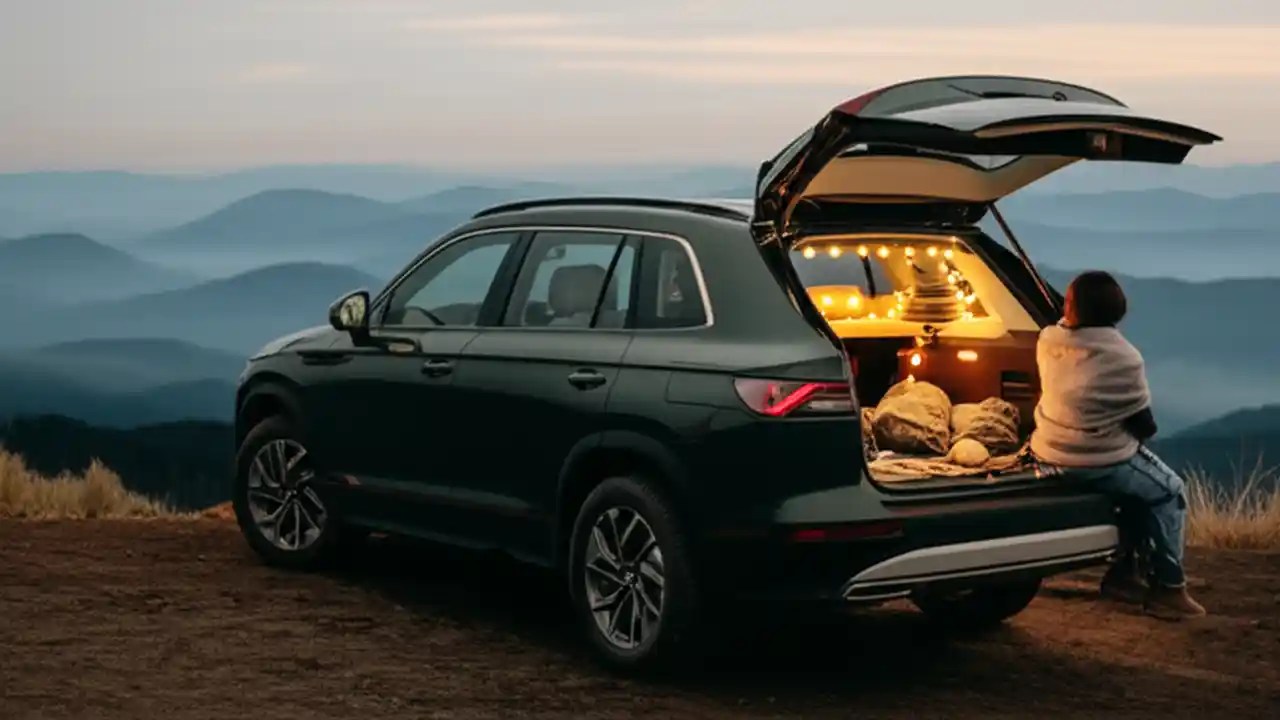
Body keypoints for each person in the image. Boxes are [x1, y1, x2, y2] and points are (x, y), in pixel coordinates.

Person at [1030, 270, 1206, 620]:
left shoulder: (1048, 340)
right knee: (1169, 491)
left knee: (1137, 492)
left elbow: (1064, 327)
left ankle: (1125, 576)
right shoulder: (1124, 357)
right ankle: (1169, 587)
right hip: (1097, 461)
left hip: (1047, 453)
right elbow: (1144, 425)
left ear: (1073, 307)